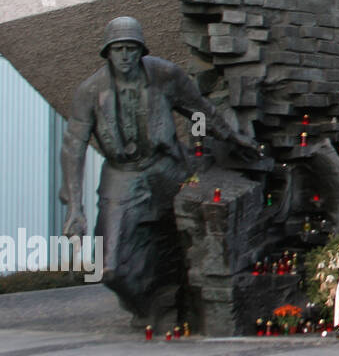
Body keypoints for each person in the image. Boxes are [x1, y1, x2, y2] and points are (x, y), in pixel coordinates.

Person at [60, 17, 259, 327]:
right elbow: (73, 147)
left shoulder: (165, 75)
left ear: (141, 51)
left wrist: (232, 138)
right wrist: (75, 206)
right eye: (118, 49)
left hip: (165, 166)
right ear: (107, 53)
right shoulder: (90, 91)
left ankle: (177, 305)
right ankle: (148, 306)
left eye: (131, 49)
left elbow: (199, 111)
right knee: (107, 267)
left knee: (186, 238)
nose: (125, 56)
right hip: (122, 174)